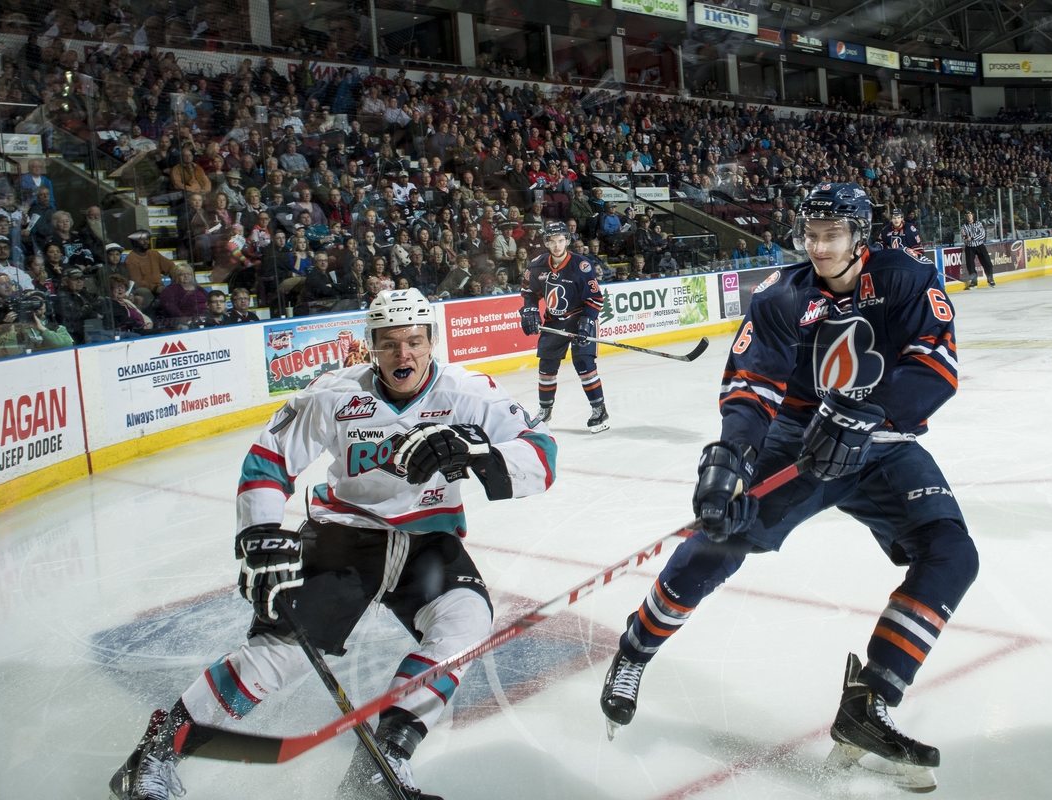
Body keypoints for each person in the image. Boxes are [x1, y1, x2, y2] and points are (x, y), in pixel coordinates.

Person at [599, 183, 975, 794]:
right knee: (723, 537)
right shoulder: (781, 295)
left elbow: (936, 367)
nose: (819, 246)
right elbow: (751, 388)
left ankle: (870, 704)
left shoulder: (907, 279)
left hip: (880, 444)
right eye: (812, 234)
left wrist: (872, 412)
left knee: (952, 553)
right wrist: (732, 458)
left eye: (832, 235)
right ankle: (635, 648)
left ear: (861, 236)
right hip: (801, 441)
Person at [108, 288, 558, 800]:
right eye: (389, 344)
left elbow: (542, 456)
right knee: (280, 655)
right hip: (345, 537)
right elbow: (268, 457)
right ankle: (153, 757)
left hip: (427, 541)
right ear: (371, 346)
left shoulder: (469, 391)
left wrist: (477, 453)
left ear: (432, 341)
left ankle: (385, 758)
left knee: (466, 623)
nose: (403, 355)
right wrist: (258, 534)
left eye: (413, 341)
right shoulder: (334, 392)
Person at [520, 220, 608, 432]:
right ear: (546, 243)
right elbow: (529, 294)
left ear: (567, 241)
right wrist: (529, 310)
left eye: (561, 241)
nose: (557, 246)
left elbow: (595, 299)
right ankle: (545, 410)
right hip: (554, 321)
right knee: (546, 368)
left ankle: (599, 409)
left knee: (584, 365)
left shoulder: (581, 265)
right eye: (552, 241)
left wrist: (586, 325)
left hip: (580, 318)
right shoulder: (537, 265)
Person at [960, 211, 995, 289]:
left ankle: (990, 279)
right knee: (970, 265)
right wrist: (967, 238)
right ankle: (974, 282)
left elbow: (982, 235)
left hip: (979, 246)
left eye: (970, 215)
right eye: (967, 216)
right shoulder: (964, 226)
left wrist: (971, 238)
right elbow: (963, 237)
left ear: (973, 216)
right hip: (969, 247)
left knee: (987, 263)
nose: (969, 217)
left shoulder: (978, 224)